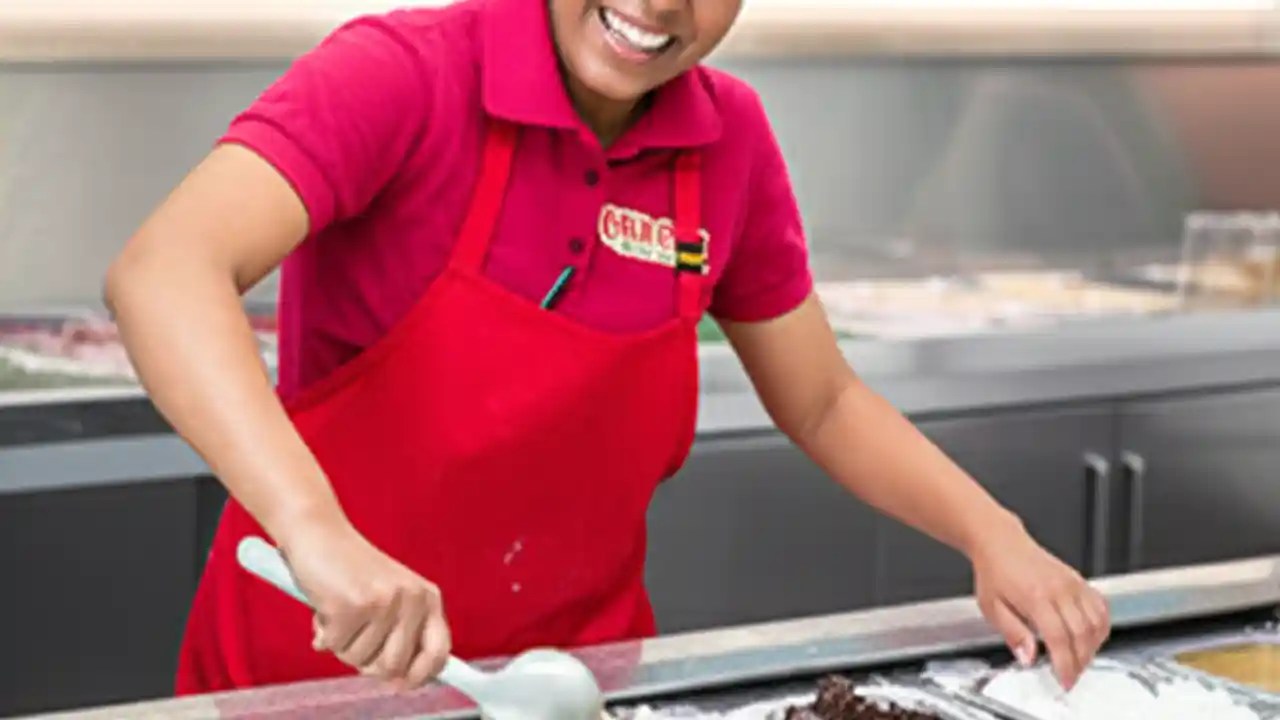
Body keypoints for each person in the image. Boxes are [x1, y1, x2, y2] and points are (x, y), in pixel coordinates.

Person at [105, 0, 1110, 698]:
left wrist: (993, 536)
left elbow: (822, 400)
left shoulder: (729, 140)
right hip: (317, 680)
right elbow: (165, 271)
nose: (659, 5)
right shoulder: (403, 73)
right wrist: (313, 528)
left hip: (572, 688)